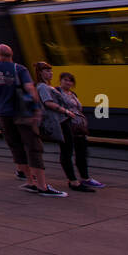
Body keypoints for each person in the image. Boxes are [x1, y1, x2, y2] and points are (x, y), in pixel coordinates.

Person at [0, 44, 64, 196]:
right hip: (22, 114)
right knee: (33, 147)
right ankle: (42, 186)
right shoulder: (19, 69)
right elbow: (30, 89)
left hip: (3, 114)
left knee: (16, 147)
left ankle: (30, 182)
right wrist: (37, 109)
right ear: (11, 54)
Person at [36, 63, 96, 193]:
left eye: (50, 70)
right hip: (60, 122)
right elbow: (48, 103)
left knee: (69, 149)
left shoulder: (48, 86)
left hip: (65, 122)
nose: (50, 73)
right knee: (66, 151)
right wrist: (66, 111)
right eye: (47, 71)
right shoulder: (42, 87)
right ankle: (73, 182)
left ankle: (75, 180)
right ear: (40, 72)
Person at [56, 72, 104, 189]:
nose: (67, 82)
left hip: (79, 127)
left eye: (70, 81)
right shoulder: (56, 93)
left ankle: (85, 178)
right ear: (60, 81)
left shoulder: (73, 94)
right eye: (65, 80)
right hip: (66, 126)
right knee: (67, 153)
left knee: (82, 153)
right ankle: (72, 180)